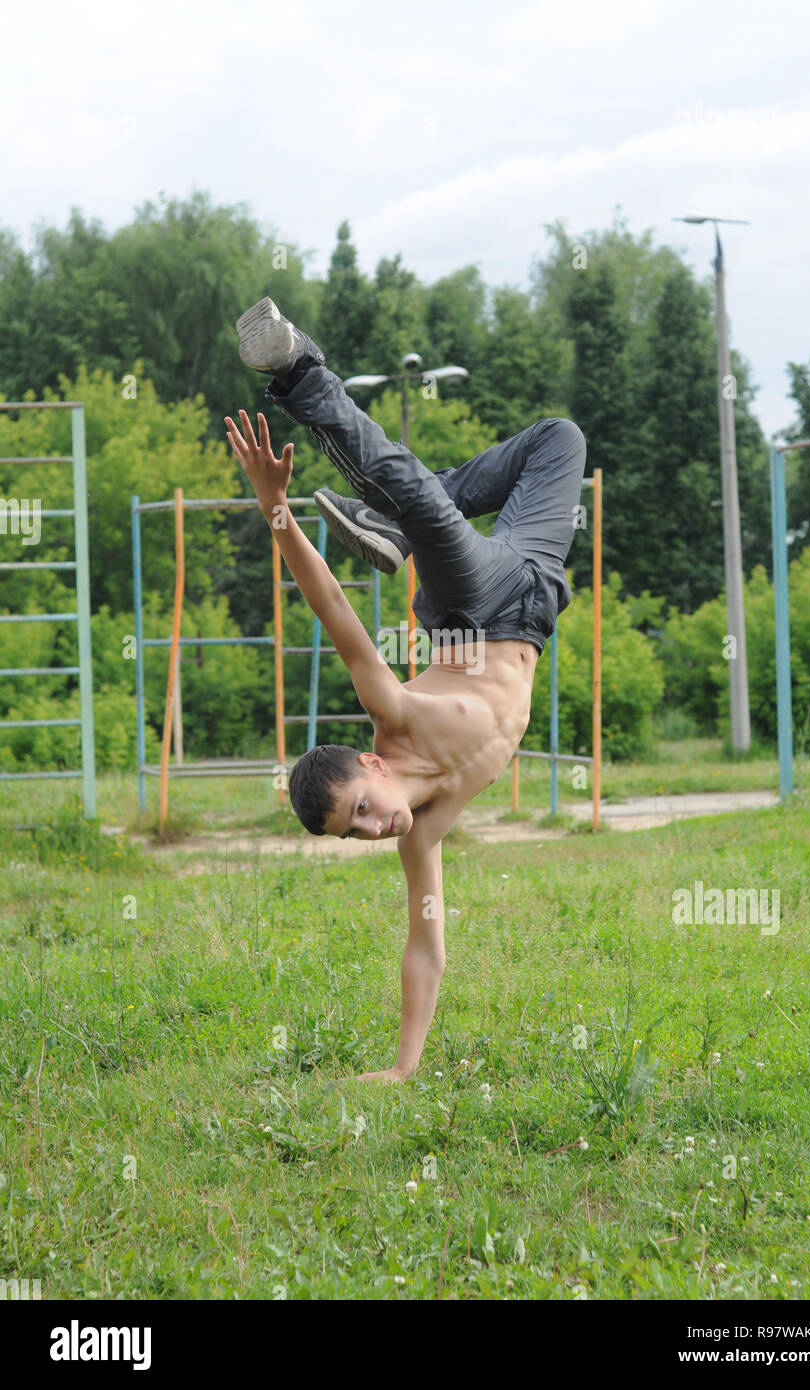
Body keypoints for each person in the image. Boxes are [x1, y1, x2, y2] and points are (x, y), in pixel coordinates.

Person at [225, 297, 586, 1084]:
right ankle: (387, 524)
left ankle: (296, 368)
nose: (374, 828)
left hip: (472, 607)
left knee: (419, 499)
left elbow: (333, 608)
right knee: (559, 439)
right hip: (536, 596)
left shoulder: (394, 716)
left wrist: (276, 509)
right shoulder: (422, 835)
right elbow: (425, 945)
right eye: (356, 834)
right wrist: (401, 1069)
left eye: (360, 808)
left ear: (370, 763)